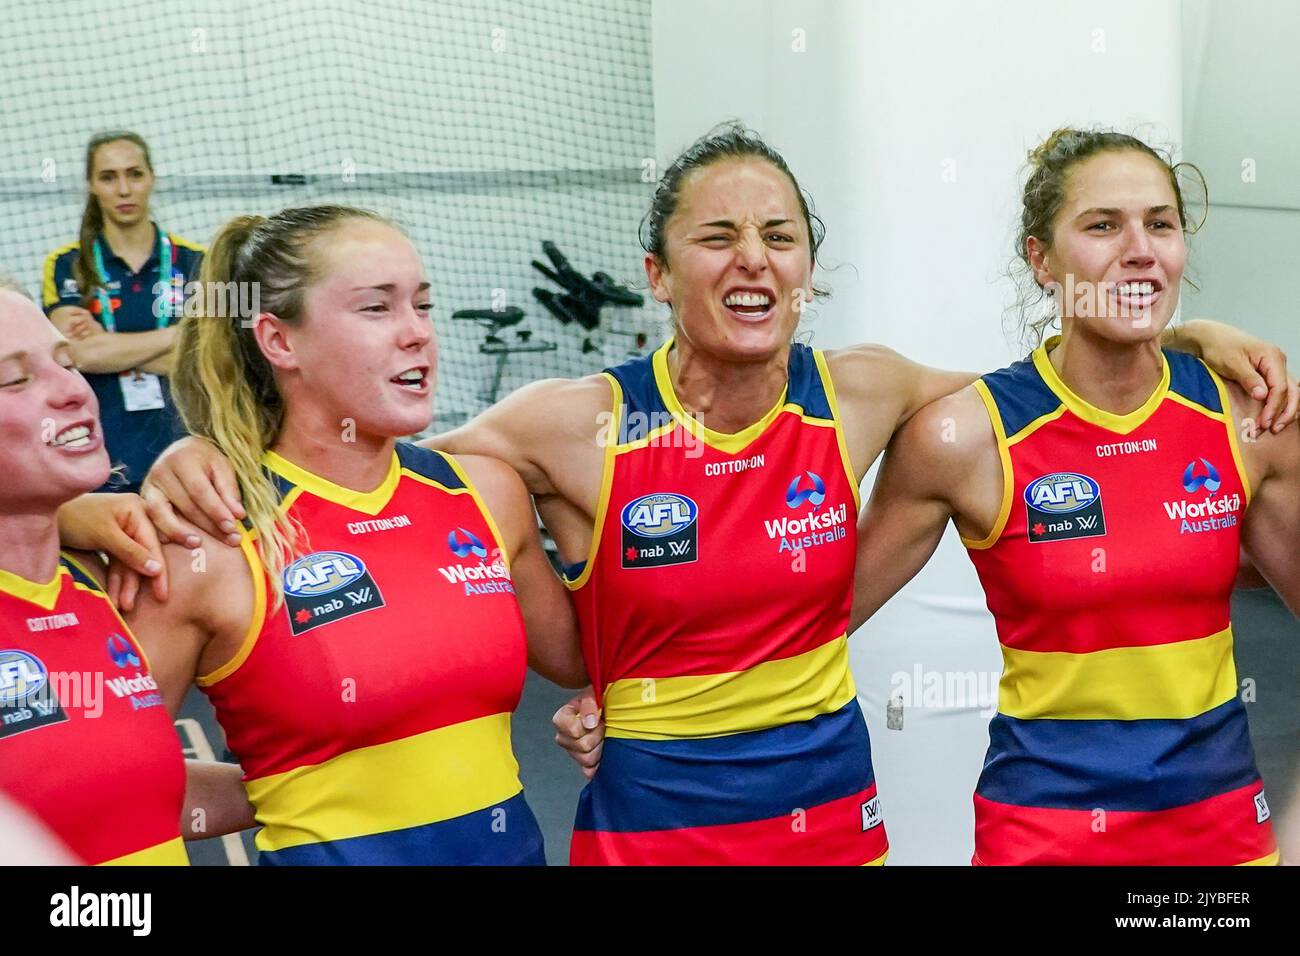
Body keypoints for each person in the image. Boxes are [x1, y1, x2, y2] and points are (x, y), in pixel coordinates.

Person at [119, 126, 1296, 866]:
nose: (752, 259)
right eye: (715, 236)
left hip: (834, 821)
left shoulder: (868, 394)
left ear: (807, 266)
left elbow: (1057, 393)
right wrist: (199, 453)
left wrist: (1178, 327)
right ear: (655, 270)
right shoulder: (565, 427)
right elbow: (363, 466)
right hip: (651, 832)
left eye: (779, 235)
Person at [67, 205, 587, 865]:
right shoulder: (210, 541)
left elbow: (577, 661)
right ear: (280, 341)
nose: (417, 334)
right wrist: (283, 788)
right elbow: (94, 782)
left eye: (422, 307)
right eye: (376, 309)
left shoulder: (485, 494)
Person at [848, 128, 1300, 865]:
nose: (1140, 248)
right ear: (1041, 260)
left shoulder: (1246, 420)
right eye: (1102, 225)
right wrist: (626, 698)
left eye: (1160, 224)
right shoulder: (969, 436)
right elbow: (807, 619)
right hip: (1046, 837)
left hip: (1223, 840)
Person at [0, 277, 250, 865]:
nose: (73, 390)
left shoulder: (93, 579)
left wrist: (339, 779)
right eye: (15, 378)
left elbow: (126, 796)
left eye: (67, 361)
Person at [41, 131, 203, 494]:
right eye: (108, 177)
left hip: (186, 448)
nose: (124, 190)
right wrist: (179, 334)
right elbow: (78, 354)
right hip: (102, 454)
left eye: (134, 174)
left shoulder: (198, 261)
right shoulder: (68, 265)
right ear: (92, 185)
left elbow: (206, 360)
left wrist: (109, 347)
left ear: (152, 179)